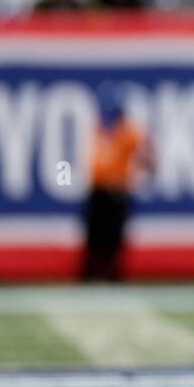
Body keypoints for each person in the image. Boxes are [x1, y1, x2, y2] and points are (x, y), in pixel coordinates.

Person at [82, 83, 150, 281]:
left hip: (118, 190)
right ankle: (92, 272)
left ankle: (111, 272)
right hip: (98, 189)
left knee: (114, 235)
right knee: (94, 233)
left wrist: (140, 167)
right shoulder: (98, 130)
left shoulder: (129, 132)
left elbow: (147, 157)